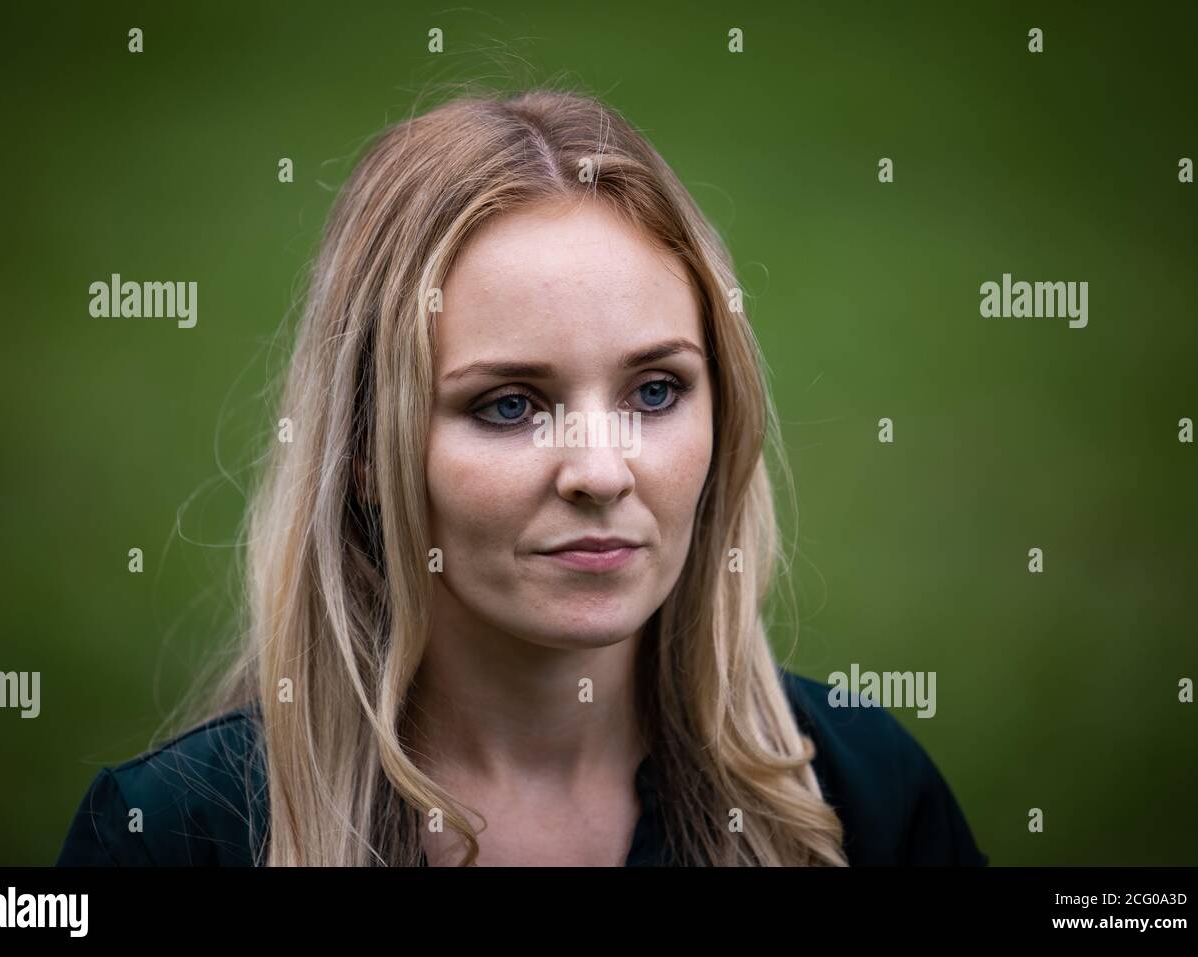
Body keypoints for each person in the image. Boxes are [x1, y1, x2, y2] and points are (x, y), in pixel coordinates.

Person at [57, 87, 987, 867]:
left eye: (656, 390)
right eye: (510, 404)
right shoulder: (174, 838)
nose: (599, 469)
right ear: (365, 457)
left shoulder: (858, 797)